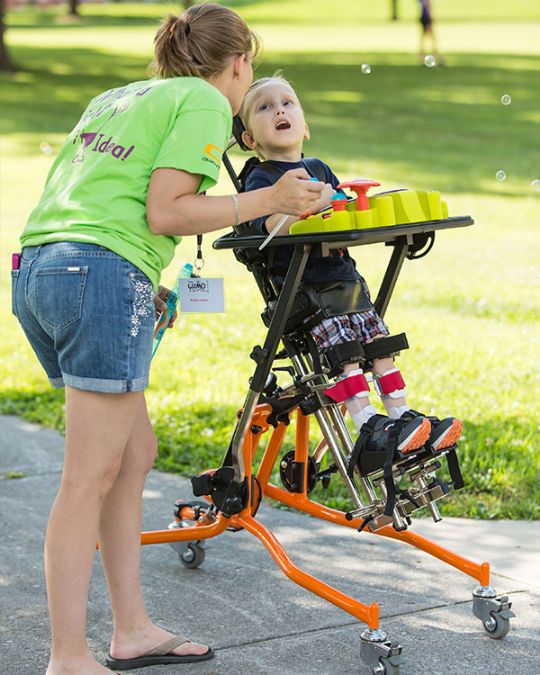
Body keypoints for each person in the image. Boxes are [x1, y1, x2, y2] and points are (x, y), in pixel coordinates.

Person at [12, 6, 325, 675]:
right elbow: (168, 210)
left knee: (133, 453)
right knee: (87, 475)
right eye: (248, 76)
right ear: (239, 63)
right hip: (97, 274)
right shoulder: (207, 101)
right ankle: (68, 657)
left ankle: (132, 630)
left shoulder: (119, 96)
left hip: (41, 269)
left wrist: (135, 282)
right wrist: (267, 201)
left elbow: (92, 194)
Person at [238, 74, 462, 456]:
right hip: (306, 294)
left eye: (288, 103)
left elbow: (343, 210)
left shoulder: (319, 168)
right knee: (347, 358)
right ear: (249, 140)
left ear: (304, 126)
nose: (279, 109)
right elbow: (270, 225)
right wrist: (310, 207)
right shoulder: (261, 178)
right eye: (265, 107)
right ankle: (369, 426)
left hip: (346, 282)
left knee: (379, 348)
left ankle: (403, 418)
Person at [418, 0, 445, 66]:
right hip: (427, 18)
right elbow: (428, 5)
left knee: (425, 39)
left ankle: (422, 59)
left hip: (424, 17)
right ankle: (439, 58)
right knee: (432, 39)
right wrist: (430, 17)